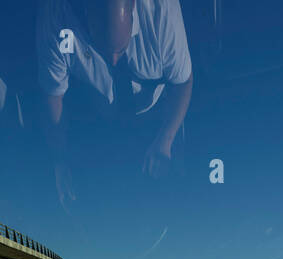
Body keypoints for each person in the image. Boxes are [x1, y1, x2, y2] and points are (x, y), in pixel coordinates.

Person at [37, 0, 193, 208]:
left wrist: (166, 139)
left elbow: (182, 83)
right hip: (97, 116)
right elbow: (53, 96)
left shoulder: (162, 11)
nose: (112, 60)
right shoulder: (56, 19)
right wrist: (60, 160)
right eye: (103, 48)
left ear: (133, 8)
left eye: (120, 49)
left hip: (157, 112)